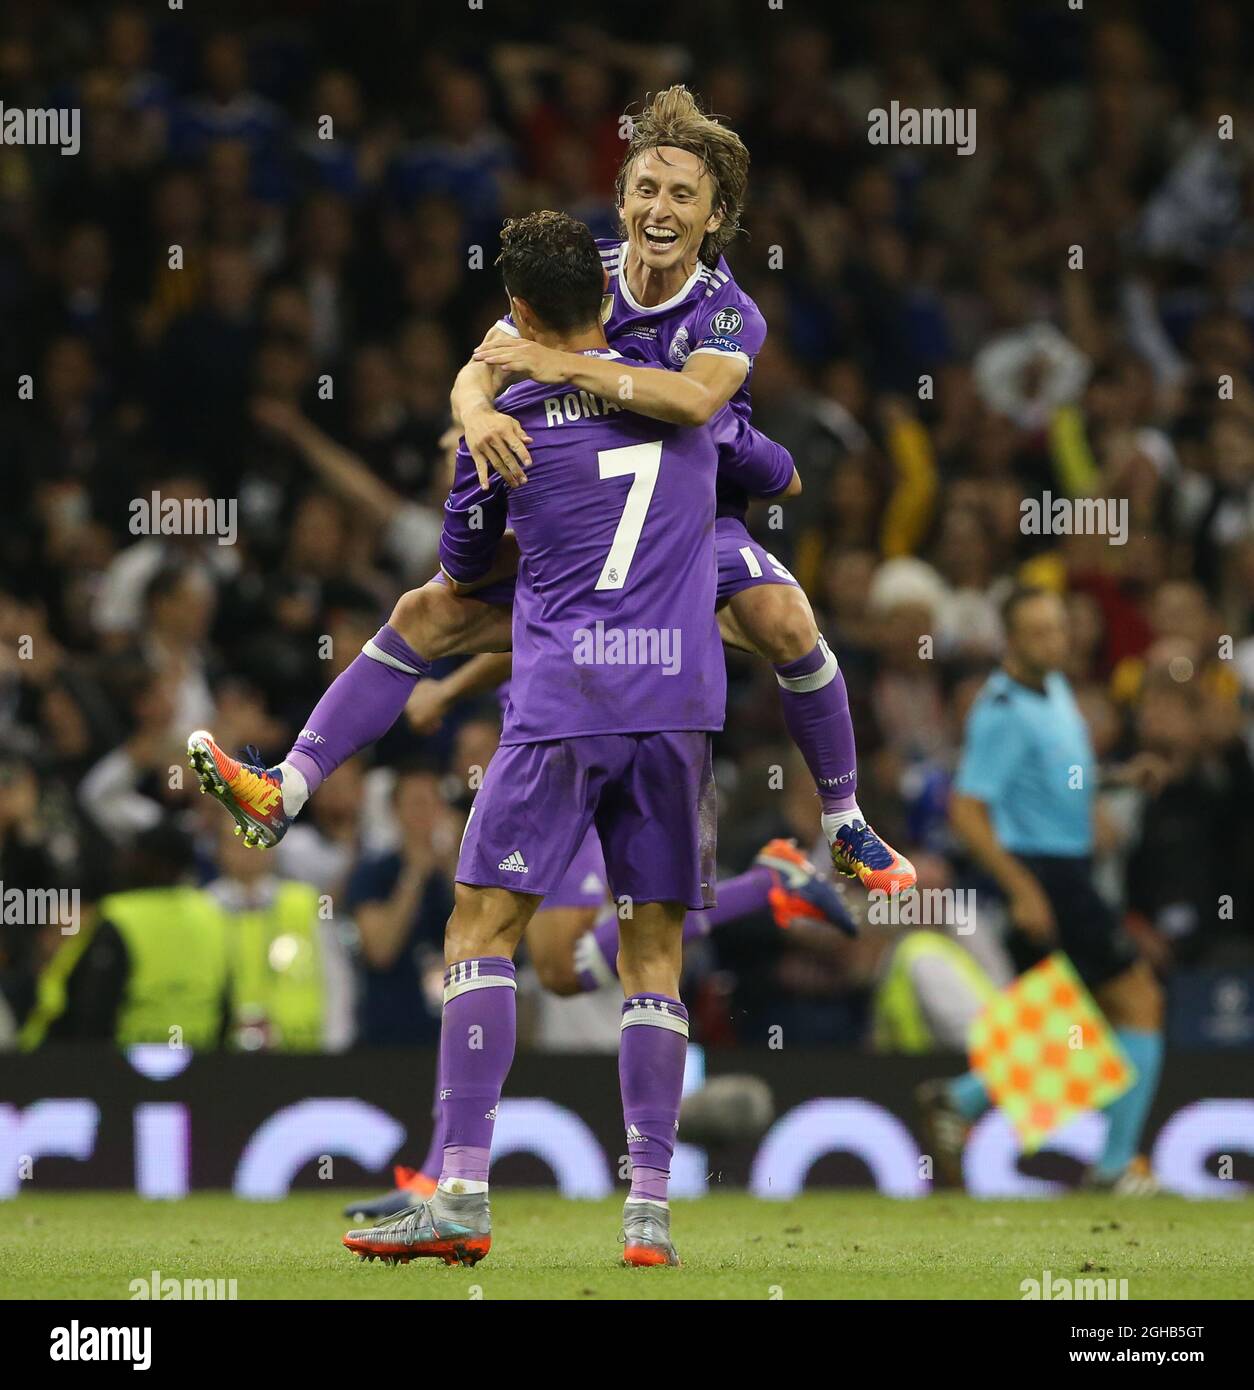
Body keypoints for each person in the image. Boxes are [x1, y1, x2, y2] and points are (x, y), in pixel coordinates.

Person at [335, 209, 731, 1268]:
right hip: (678, 703)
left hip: (564, 702)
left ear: (514, 314)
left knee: (481, 929)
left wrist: (480, 409)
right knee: (654, 952)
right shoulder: (686, 400)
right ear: (605, 301)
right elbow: (770, 469)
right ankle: (648, 1212)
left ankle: (460, 1189)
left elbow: (463, 572)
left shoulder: (505, 424)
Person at [461, 85, 914, 893]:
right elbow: (484, 361)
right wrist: (472, 411)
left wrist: (567, 366)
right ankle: (292, 778)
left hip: (691, 522)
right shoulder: (585, 273)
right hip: (581, 524)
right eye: (645, 189)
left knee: (786, 617)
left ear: (714, 217)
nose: (660, 209)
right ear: (622, 200)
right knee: (429, 609)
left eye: (683, 195)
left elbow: (698, 401)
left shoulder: (729, 312)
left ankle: (844, 821)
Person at [917, 587, 1164, 1193]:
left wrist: (1116, 781)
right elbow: (967, 808)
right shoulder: (1000, 710)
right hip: (1046, 874)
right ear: (1012, 640)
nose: (1057, 640)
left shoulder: (1051, 688)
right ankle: (1114, 1167)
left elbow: (1049, 777)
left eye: (1059, 628)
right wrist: (1023, 889)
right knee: (1139, 1002)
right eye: (1039, 632)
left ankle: (963, 1099)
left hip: (1065, 868)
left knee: (1076, 1024)